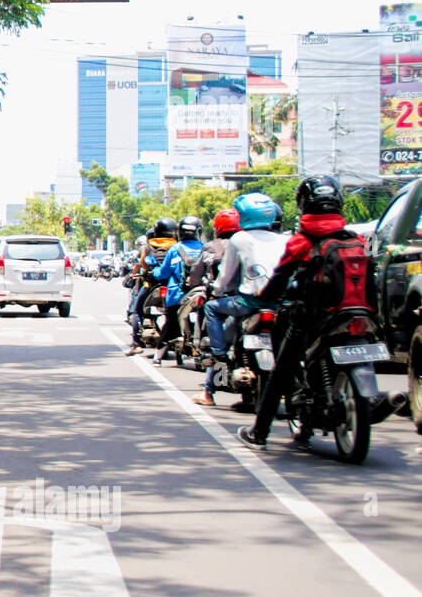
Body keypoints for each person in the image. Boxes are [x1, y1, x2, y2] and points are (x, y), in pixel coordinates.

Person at [237, 176, 364, 448]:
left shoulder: (301, 241)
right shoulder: (354, 238)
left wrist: (265, 295)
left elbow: (280, 277)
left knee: (281, 370)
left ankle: (259, 432)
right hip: (355, 314)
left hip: (311, 317)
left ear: (304, 204)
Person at [193, 193, 286, 409]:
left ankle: (216, 367)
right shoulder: (285, 239)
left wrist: (216, 289)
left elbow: (224, 278)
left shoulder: (238, 240)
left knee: (211, 310)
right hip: (280, 305)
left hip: (248, 303)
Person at [150, 216, 204, 364]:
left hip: (177, 295)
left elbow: (163, 273)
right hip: (201, 293)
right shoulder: (204, 247)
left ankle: (157, 357)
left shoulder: (175, 249)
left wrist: (154, 272)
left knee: (170, 326)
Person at [125, 219, 177, 355]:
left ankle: (136, 343)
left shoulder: (148, 247)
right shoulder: (176, 246)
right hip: (170, 286)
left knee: (137, 311)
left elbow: (143, 264)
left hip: (151, 286)